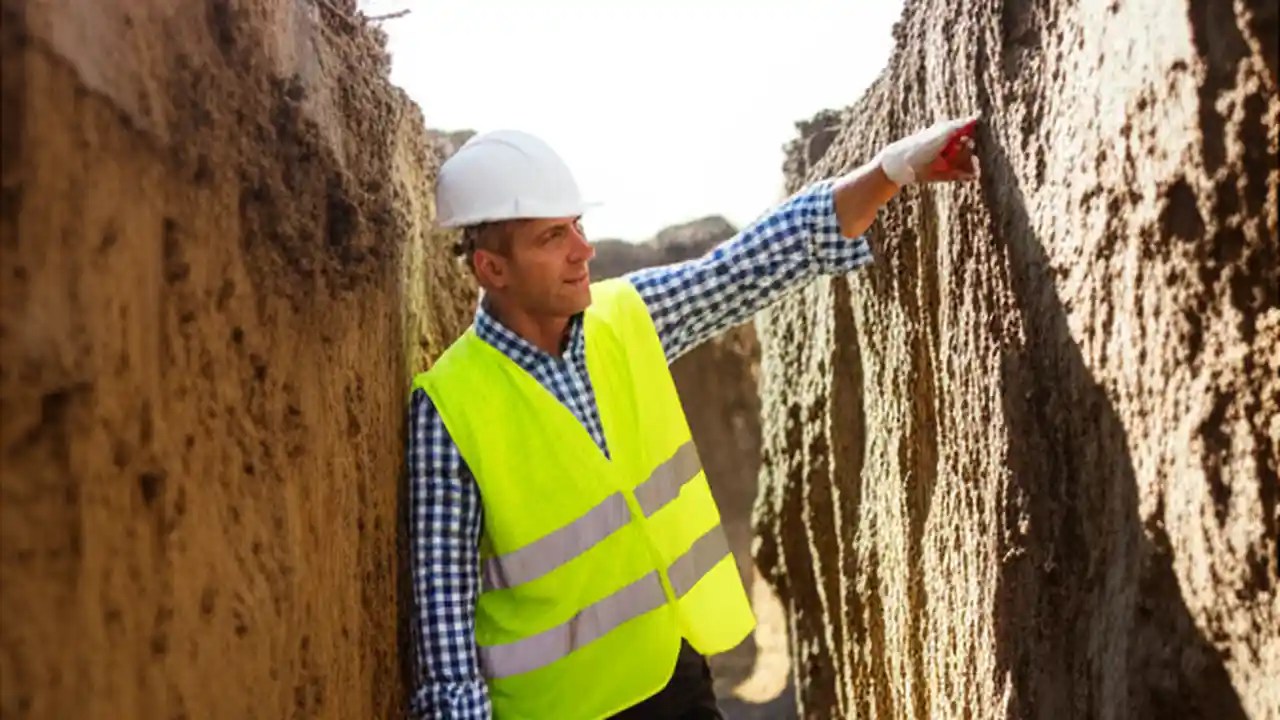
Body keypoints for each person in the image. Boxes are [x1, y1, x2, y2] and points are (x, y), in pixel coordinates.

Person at [406, 118, 980, 719]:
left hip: (674, 679)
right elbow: (445, 650)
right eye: (552, 236)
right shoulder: (449, 408)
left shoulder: (624, 320)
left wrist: (890, 171)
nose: (583, 249)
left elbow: (748, 265)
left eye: (578, 225)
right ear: (491, 269)